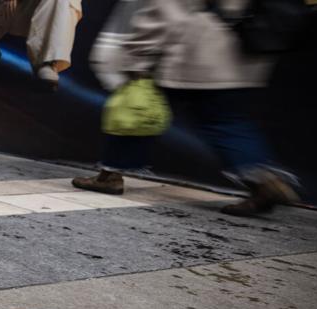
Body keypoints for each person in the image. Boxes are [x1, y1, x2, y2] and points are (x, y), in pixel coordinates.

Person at [73, 0, 299, 215]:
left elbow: (162, 13)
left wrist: (137, 56)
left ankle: (109, 176)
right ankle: (263, 179)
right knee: (227, 121)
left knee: (137, 112)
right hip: (243, 59)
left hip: (192, 54)